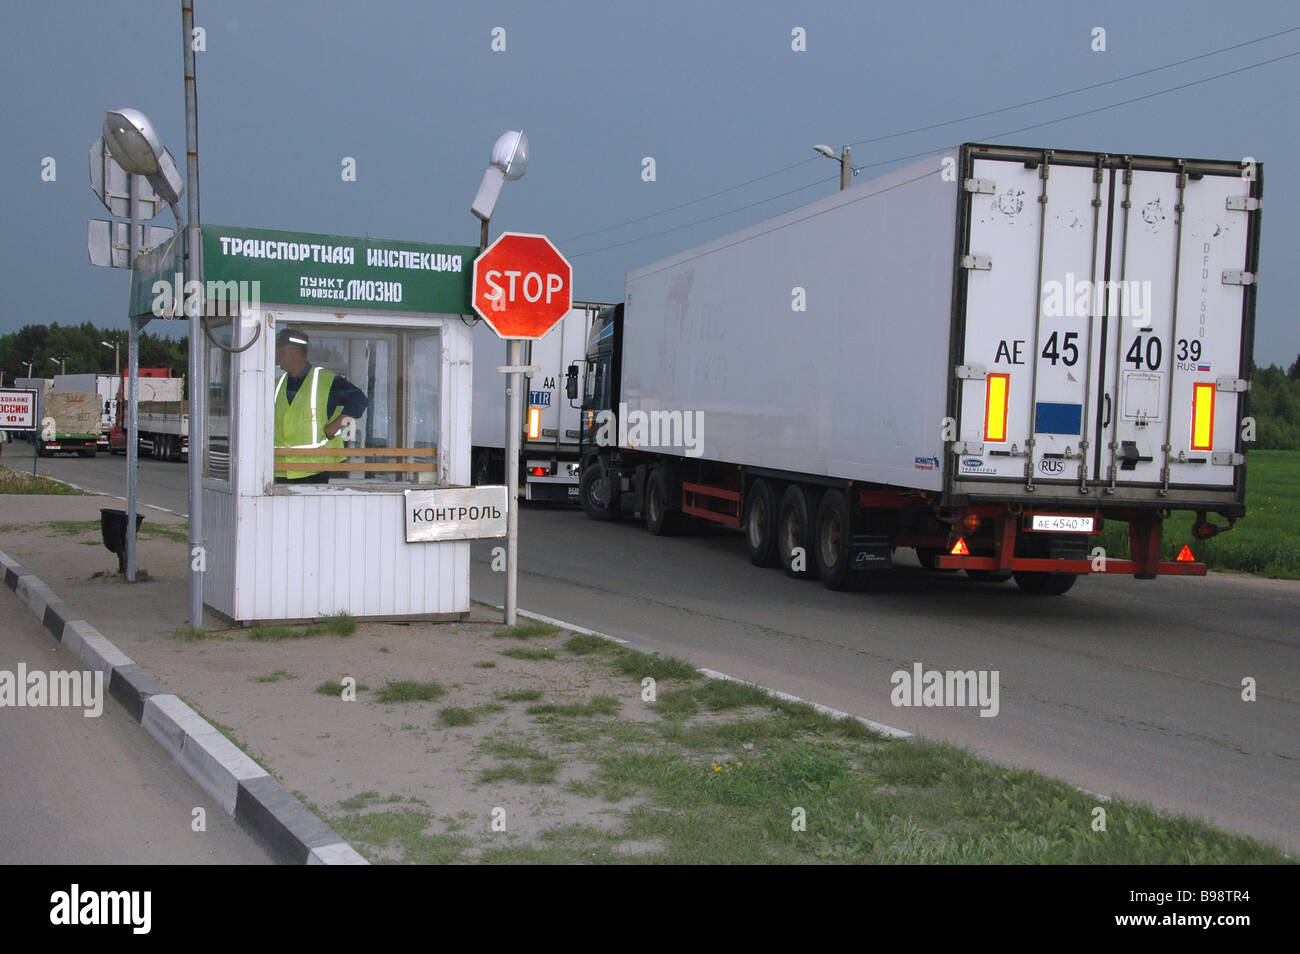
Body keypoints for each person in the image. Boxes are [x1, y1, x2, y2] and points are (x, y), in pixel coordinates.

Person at [274, 327, 369, 483]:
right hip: (280, 469)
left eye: (281, 352)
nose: (278, 357)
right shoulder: (277, 385)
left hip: (314, 469)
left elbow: (359, 399)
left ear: (295, 352)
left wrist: (337, 424)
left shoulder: (326, 380)